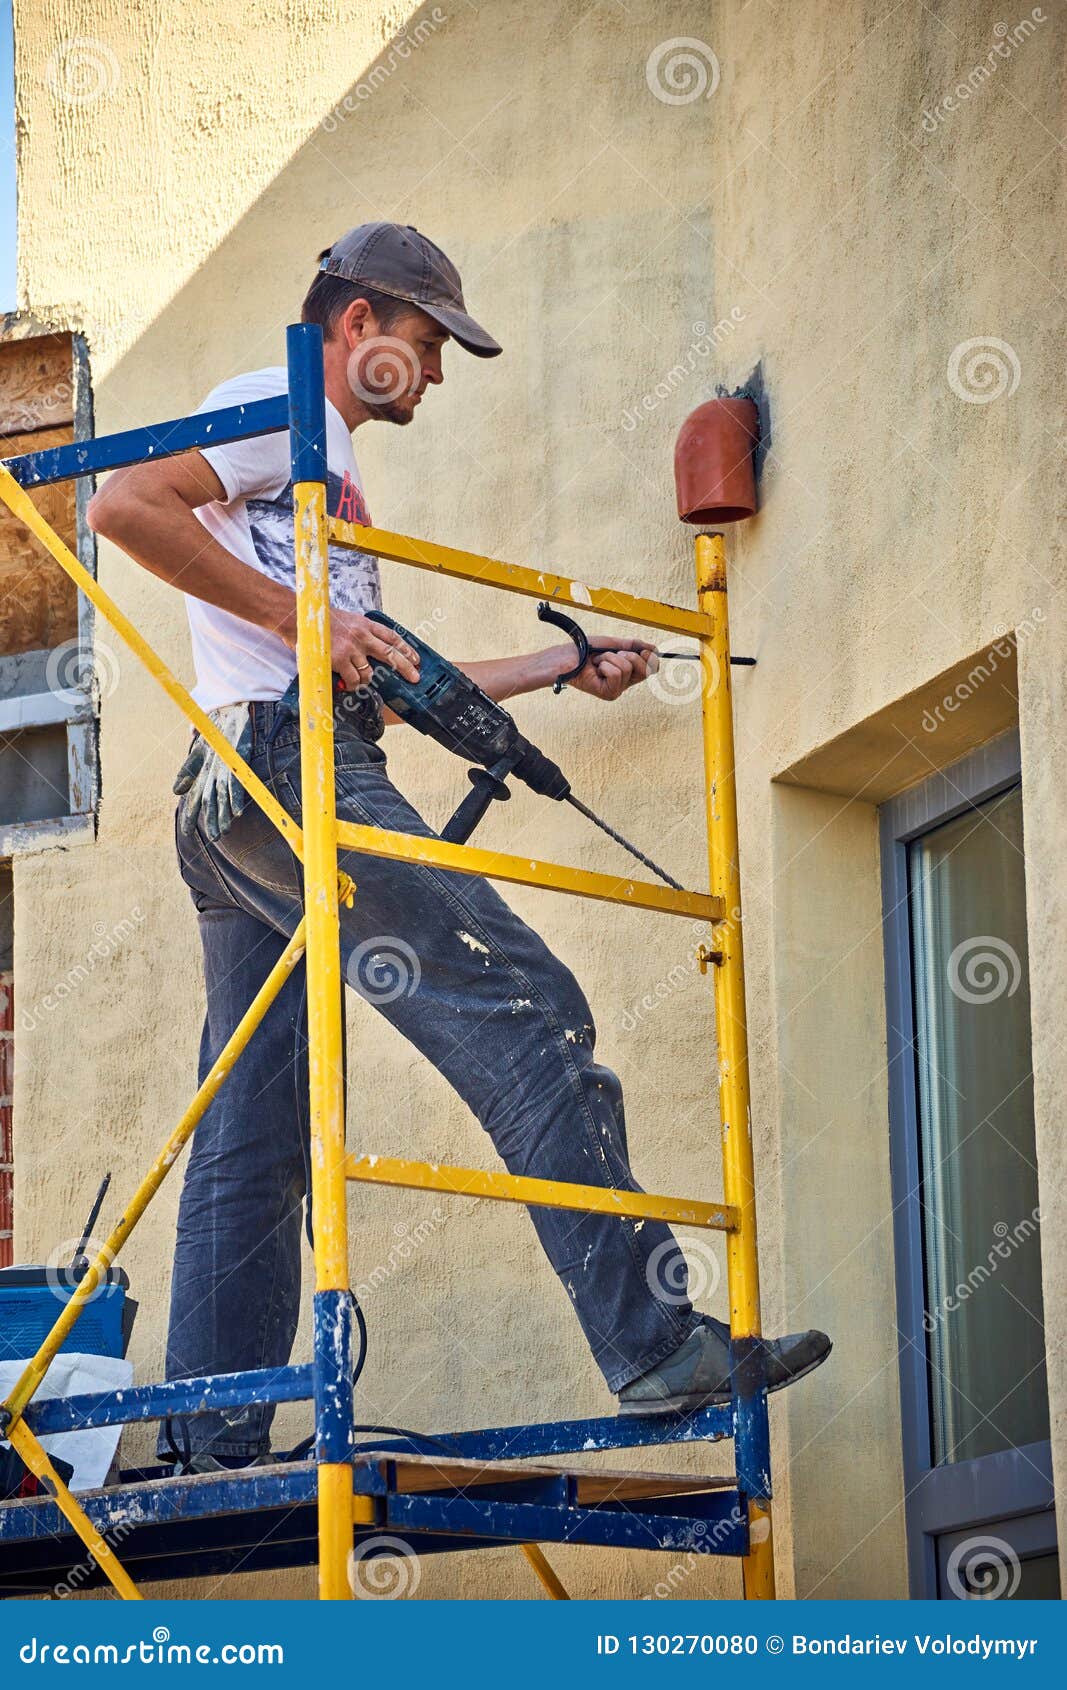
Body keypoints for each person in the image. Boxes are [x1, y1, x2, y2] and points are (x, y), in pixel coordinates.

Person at [88, 222, 830, 1469]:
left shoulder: (321, 477)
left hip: (232, 800)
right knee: (528, 1004)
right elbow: (119, 502)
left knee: (256, 1114)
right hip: (285, 772)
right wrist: (297, 612)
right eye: (424, 346)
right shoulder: (285, 405)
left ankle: (212, 1429)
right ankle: (651, 1344)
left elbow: (373, 677)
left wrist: (558, 664)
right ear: (356, 323)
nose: (432, 375)